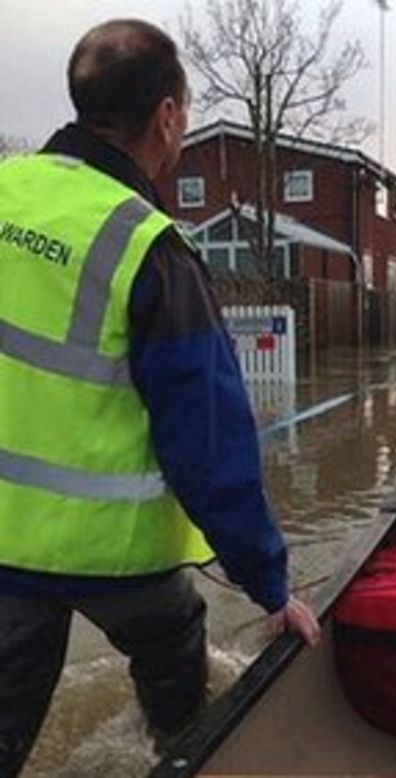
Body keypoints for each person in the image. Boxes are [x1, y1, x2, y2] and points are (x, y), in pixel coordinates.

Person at [0, 18, 319, 776]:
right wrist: (270, 585)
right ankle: (182, 754)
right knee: (179, 662)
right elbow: (209, 444)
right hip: (114, 557)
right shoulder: (148, 246)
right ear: (168, 117)